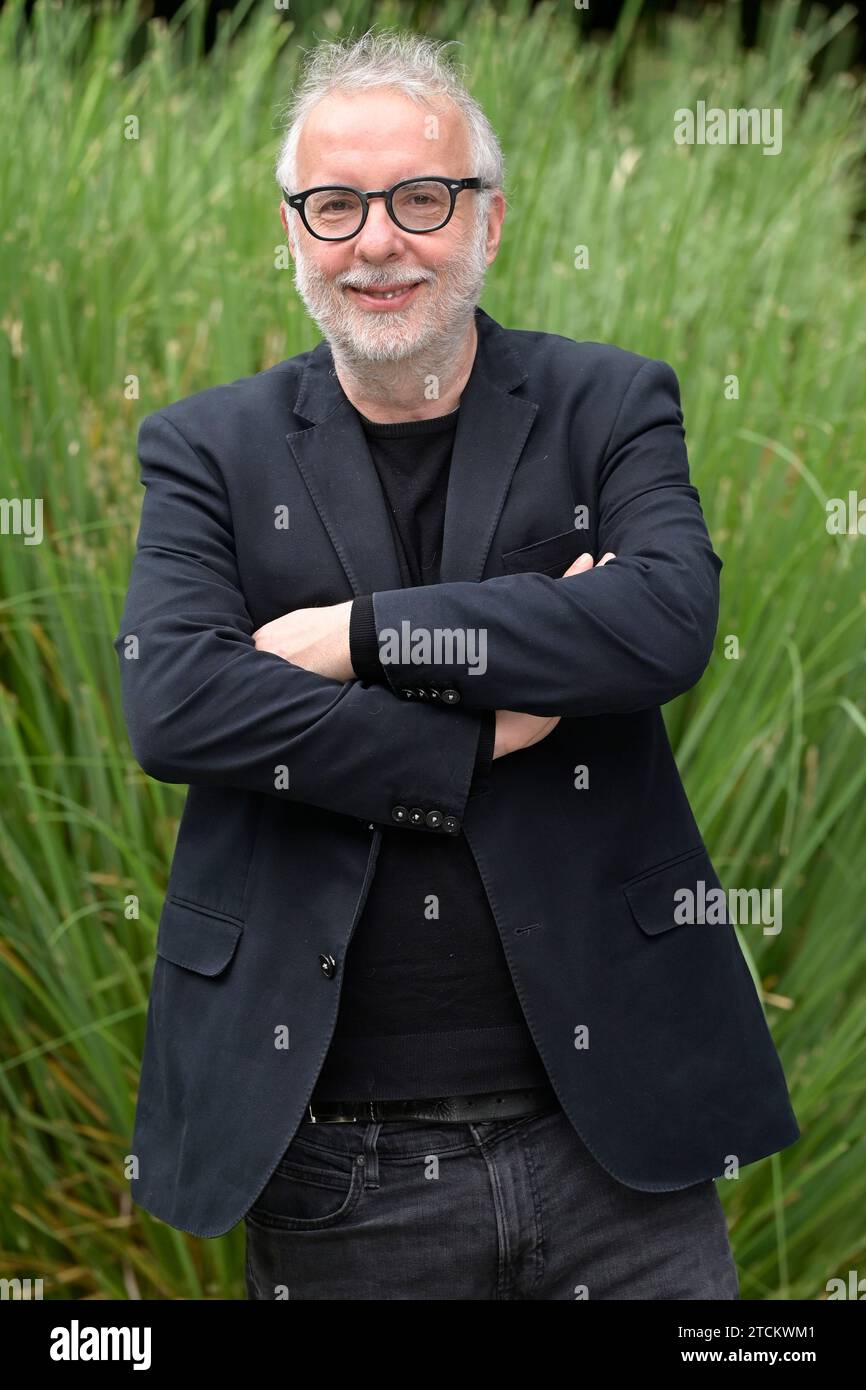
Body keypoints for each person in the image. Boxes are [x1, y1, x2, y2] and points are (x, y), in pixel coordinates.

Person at [114, 28, 799, 1300]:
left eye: (418, 198)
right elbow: (178, 704)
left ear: (487, 219)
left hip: (613, 1147)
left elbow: (659, 623)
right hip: (334, 1161)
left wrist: (354, 637)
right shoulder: (206, 450)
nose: (376, 240)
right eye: (335, 205)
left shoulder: (607, 405)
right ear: (295, 230)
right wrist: (480, 729)